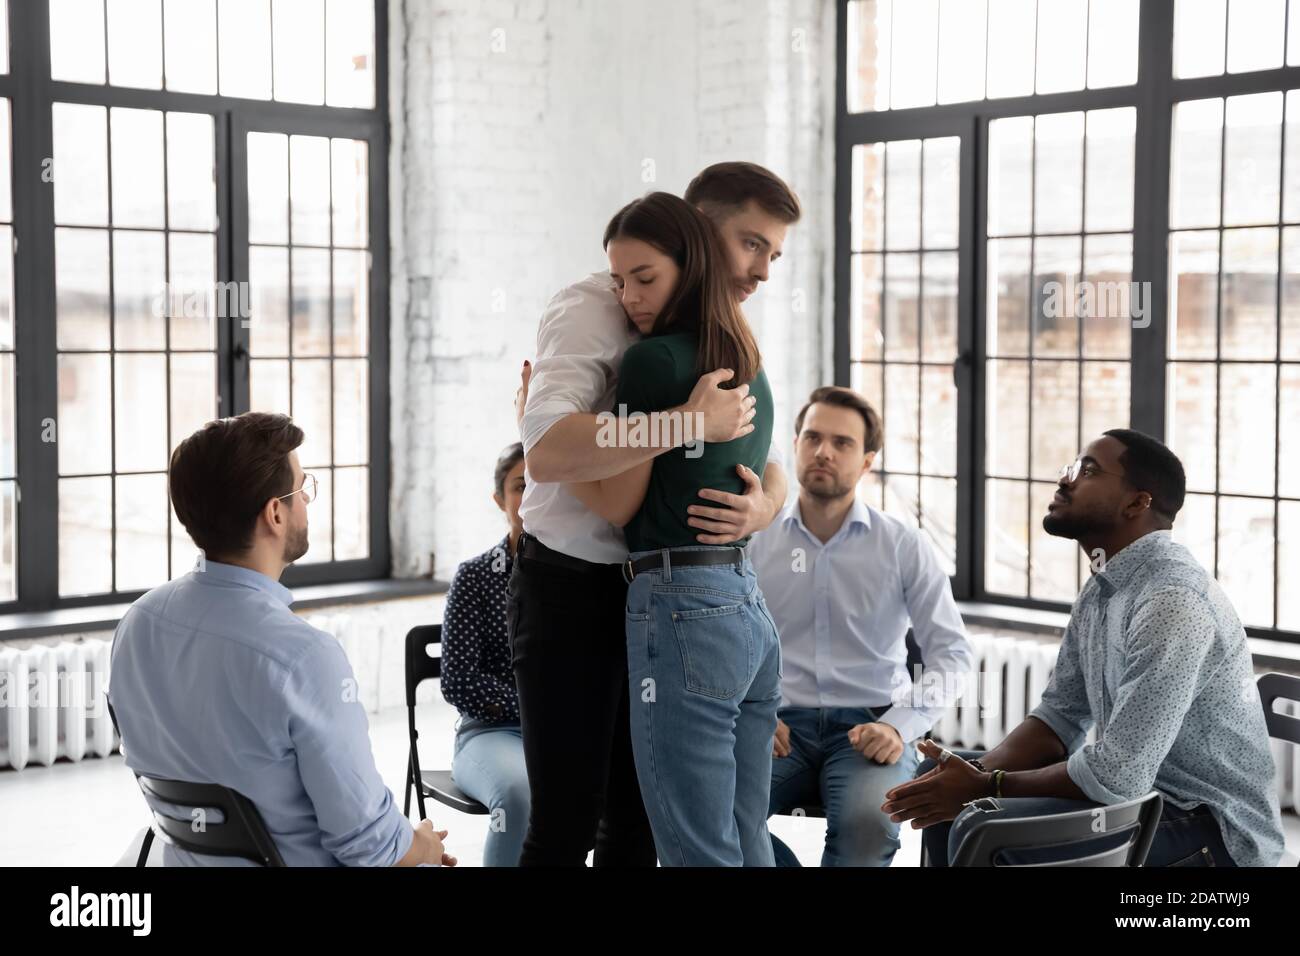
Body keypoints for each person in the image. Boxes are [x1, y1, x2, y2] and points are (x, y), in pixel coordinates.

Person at [510, 162, 801, 866]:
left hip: (662, 595)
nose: (761, 271)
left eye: (773, 254)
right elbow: (547, 451)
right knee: (568, 822)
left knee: (641, 821)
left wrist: (765, 503)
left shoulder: (721, 333)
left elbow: (762, 449)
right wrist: (682, 422)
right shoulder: (590, 310)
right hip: (573, 588)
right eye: (751, 244)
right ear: (697, 231)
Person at [883, 429, 1286, 867]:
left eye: (1088, 470)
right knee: (942, 785)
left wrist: (987, 786)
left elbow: (1118, 776)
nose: (1065, 480)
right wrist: (973, 776)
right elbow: (1059, 718)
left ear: (1137, 502)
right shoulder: (1104, 585)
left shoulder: (1173, 600)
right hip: (1139, 799)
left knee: (985, 824)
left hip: (1213, 829)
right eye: (1071, 468)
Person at [108, 412, 455, 867]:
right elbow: (369, 847)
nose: (306, 503)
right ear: (275, 513)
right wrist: (422, 844)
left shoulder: (138, 621)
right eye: (301, 489)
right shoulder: (303, 657)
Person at [748, 386, 972, 866]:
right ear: (796, 445)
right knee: (712, 812)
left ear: (868, 461)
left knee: (870, 826)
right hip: (776, 724)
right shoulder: (755, 541)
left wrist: (898, 726)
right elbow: (723, 642)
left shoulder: (902, 545)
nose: (823, 451)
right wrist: (752, 712)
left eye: (842, 443)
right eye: (813, 437)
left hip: (870, 724)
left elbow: (952, 655)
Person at [440, 442, 530, 866]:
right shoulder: (476, 576)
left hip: (570, 734)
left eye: (545, 485)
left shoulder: (585, 576)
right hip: (491, 733)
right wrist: (536, 708)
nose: (532, 497)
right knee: (518, 795)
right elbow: (457, 679)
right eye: (520, 486)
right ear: (500, 500)